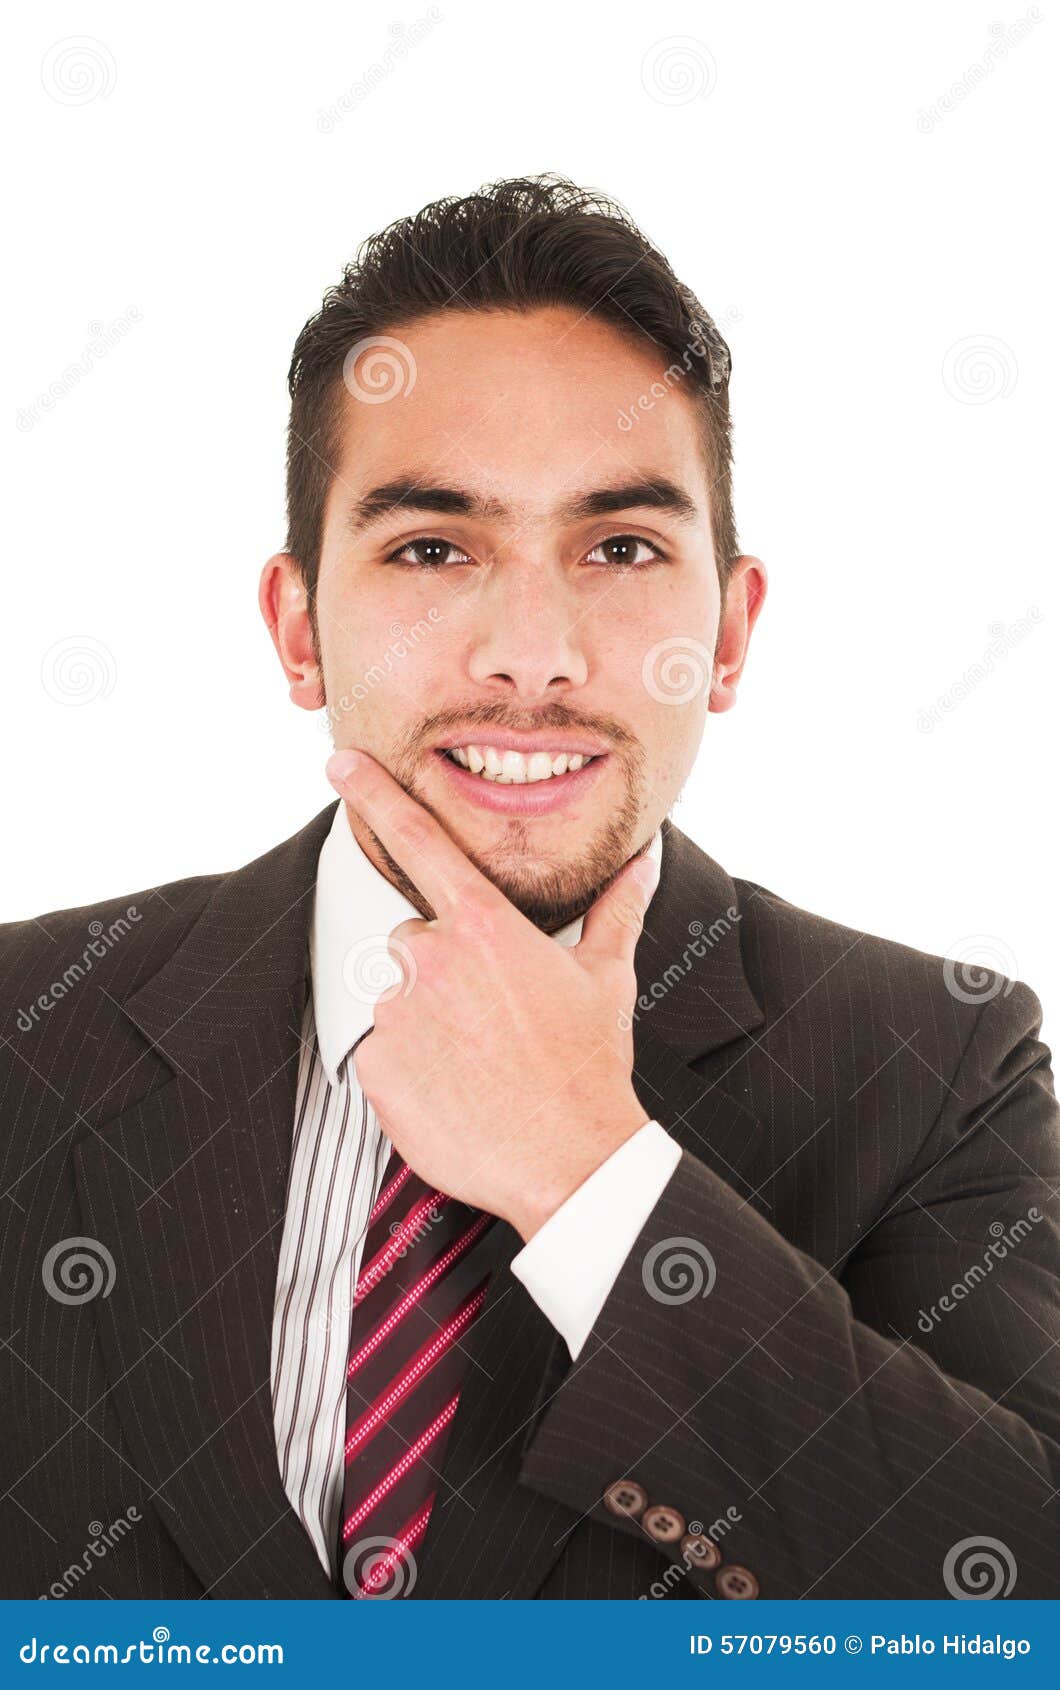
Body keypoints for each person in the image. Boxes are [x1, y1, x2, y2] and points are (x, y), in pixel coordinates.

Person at [2, 175, 1057, 1602]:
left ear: (729, 635)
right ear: (300, 631)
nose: (533, 654)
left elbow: (1018, 1604)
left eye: (619, 548)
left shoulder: (936, 1065)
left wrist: (591, 1177)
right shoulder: (26, 1031)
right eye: (434, 549)